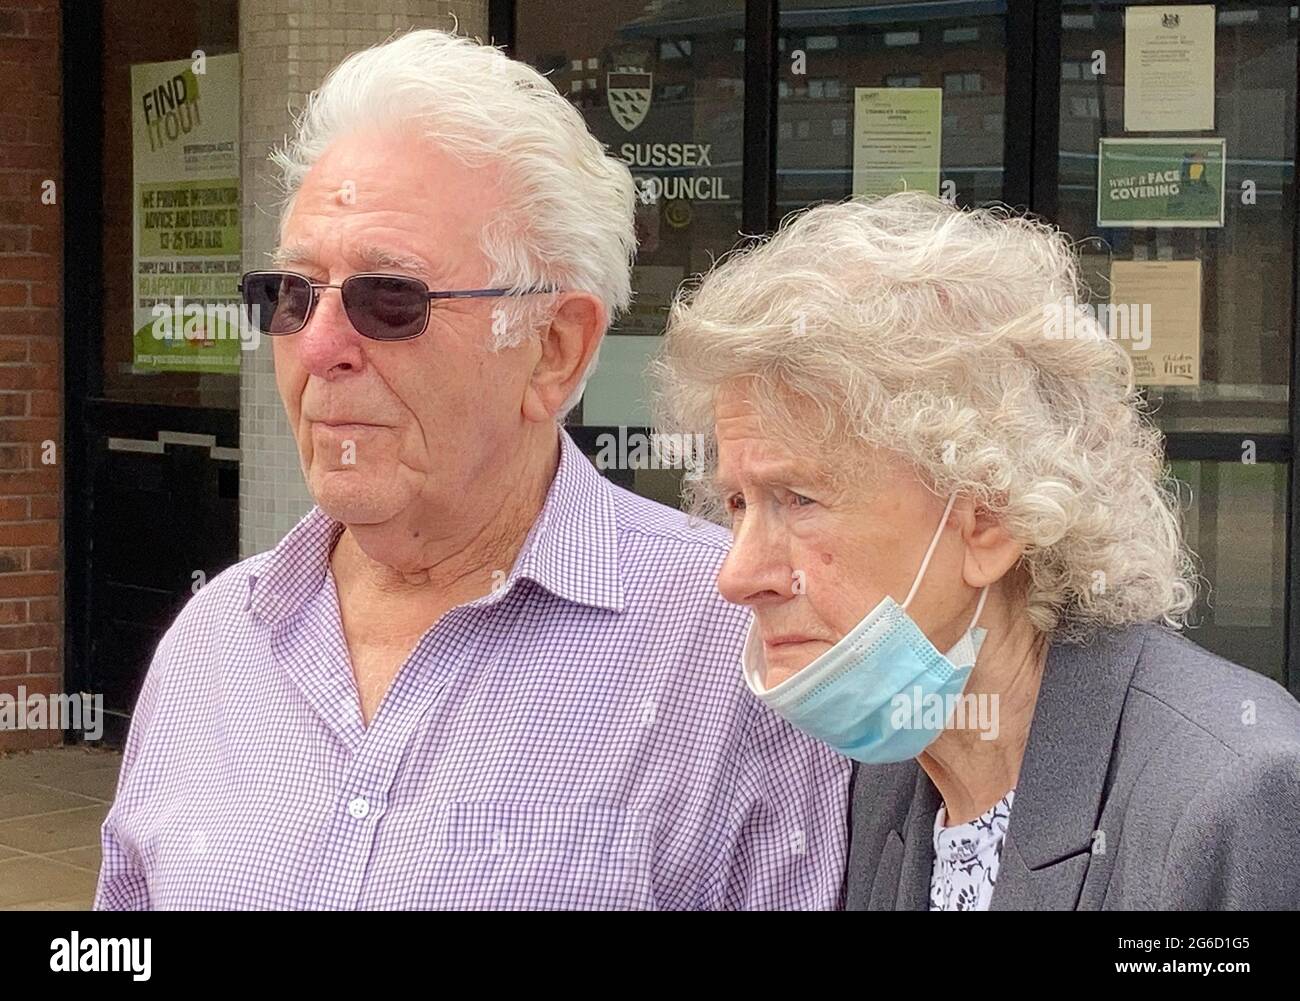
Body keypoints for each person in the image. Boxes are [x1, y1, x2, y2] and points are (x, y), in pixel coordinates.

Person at [94, 29, 850, 910]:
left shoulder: (738, 651)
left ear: (555, 351)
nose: (321, 346)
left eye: (391, 299)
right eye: (292, 294)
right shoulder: (215, 640)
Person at [652, 191, 1300, 910]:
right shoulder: (890, 779)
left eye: (798, 499)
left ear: (987, 519)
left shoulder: (1231, 793)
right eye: (738, 503)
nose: (737, 574)